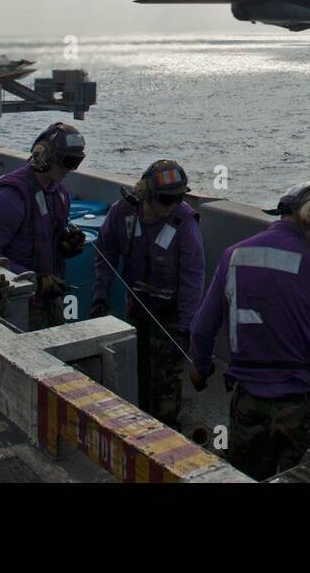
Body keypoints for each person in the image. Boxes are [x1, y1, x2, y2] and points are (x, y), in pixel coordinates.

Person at [188, 181, 310, 480]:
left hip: (248, 405)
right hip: (304, 409)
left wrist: (201, 367)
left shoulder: (233, 256)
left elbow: (203, 327)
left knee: (247, 476)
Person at [92, 159, 205, 428]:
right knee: (139, 373)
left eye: (178, 199)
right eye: (166, 200)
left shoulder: (184, 225)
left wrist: (187, 328)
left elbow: (193, 278)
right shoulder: (123, 213)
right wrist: (100, 295)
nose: (171, 206)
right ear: (146, 195)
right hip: (139, 309)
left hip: (172, 316)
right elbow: (105, 250)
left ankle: (166, 429)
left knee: (166, 382)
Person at [0, 122, 88, 330]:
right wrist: (34, 282)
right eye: (67, 162)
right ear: (43, 155)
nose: (70, 170)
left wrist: (64, 247)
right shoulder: (8, 198)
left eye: (76, 163)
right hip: (15, 307)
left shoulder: (59, 194)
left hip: (50, 303)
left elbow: (42, 241)